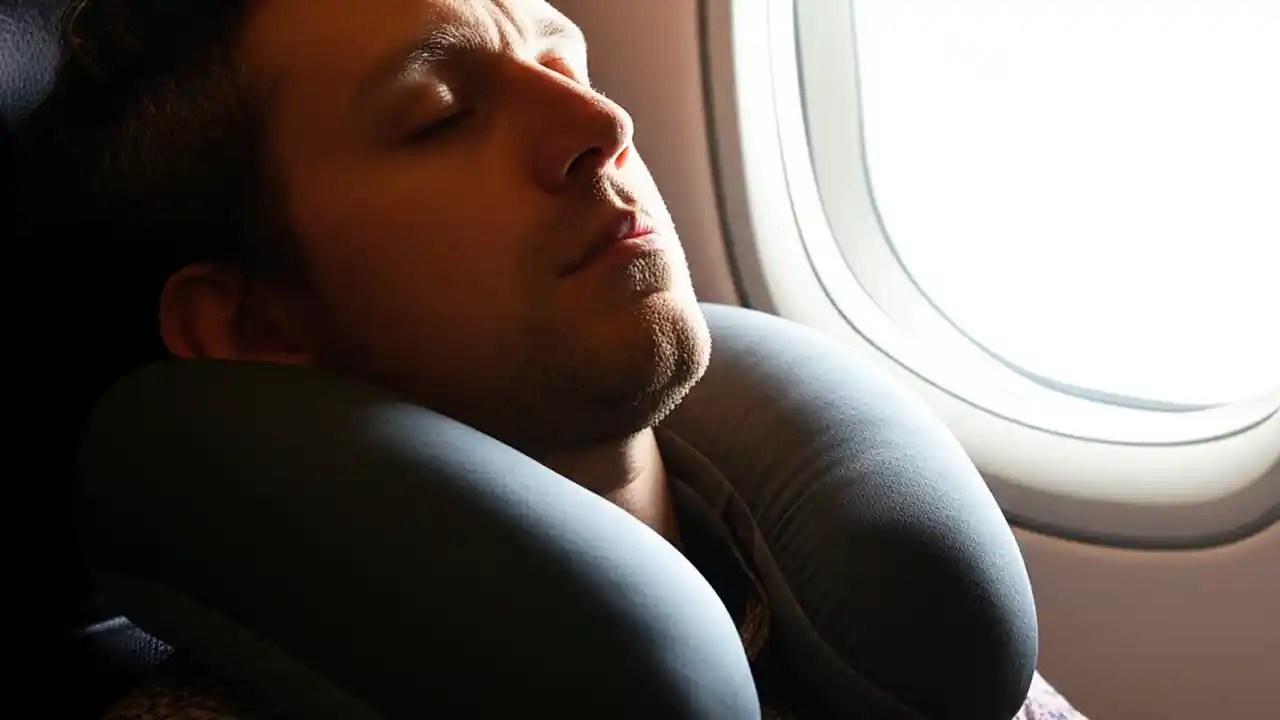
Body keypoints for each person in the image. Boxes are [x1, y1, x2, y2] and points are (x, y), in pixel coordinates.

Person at [22, 0, 1087, 717]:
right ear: (251, 331)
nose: (601, 120)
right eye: (440, 116)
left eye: (561, 60)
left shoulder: (869, 622)